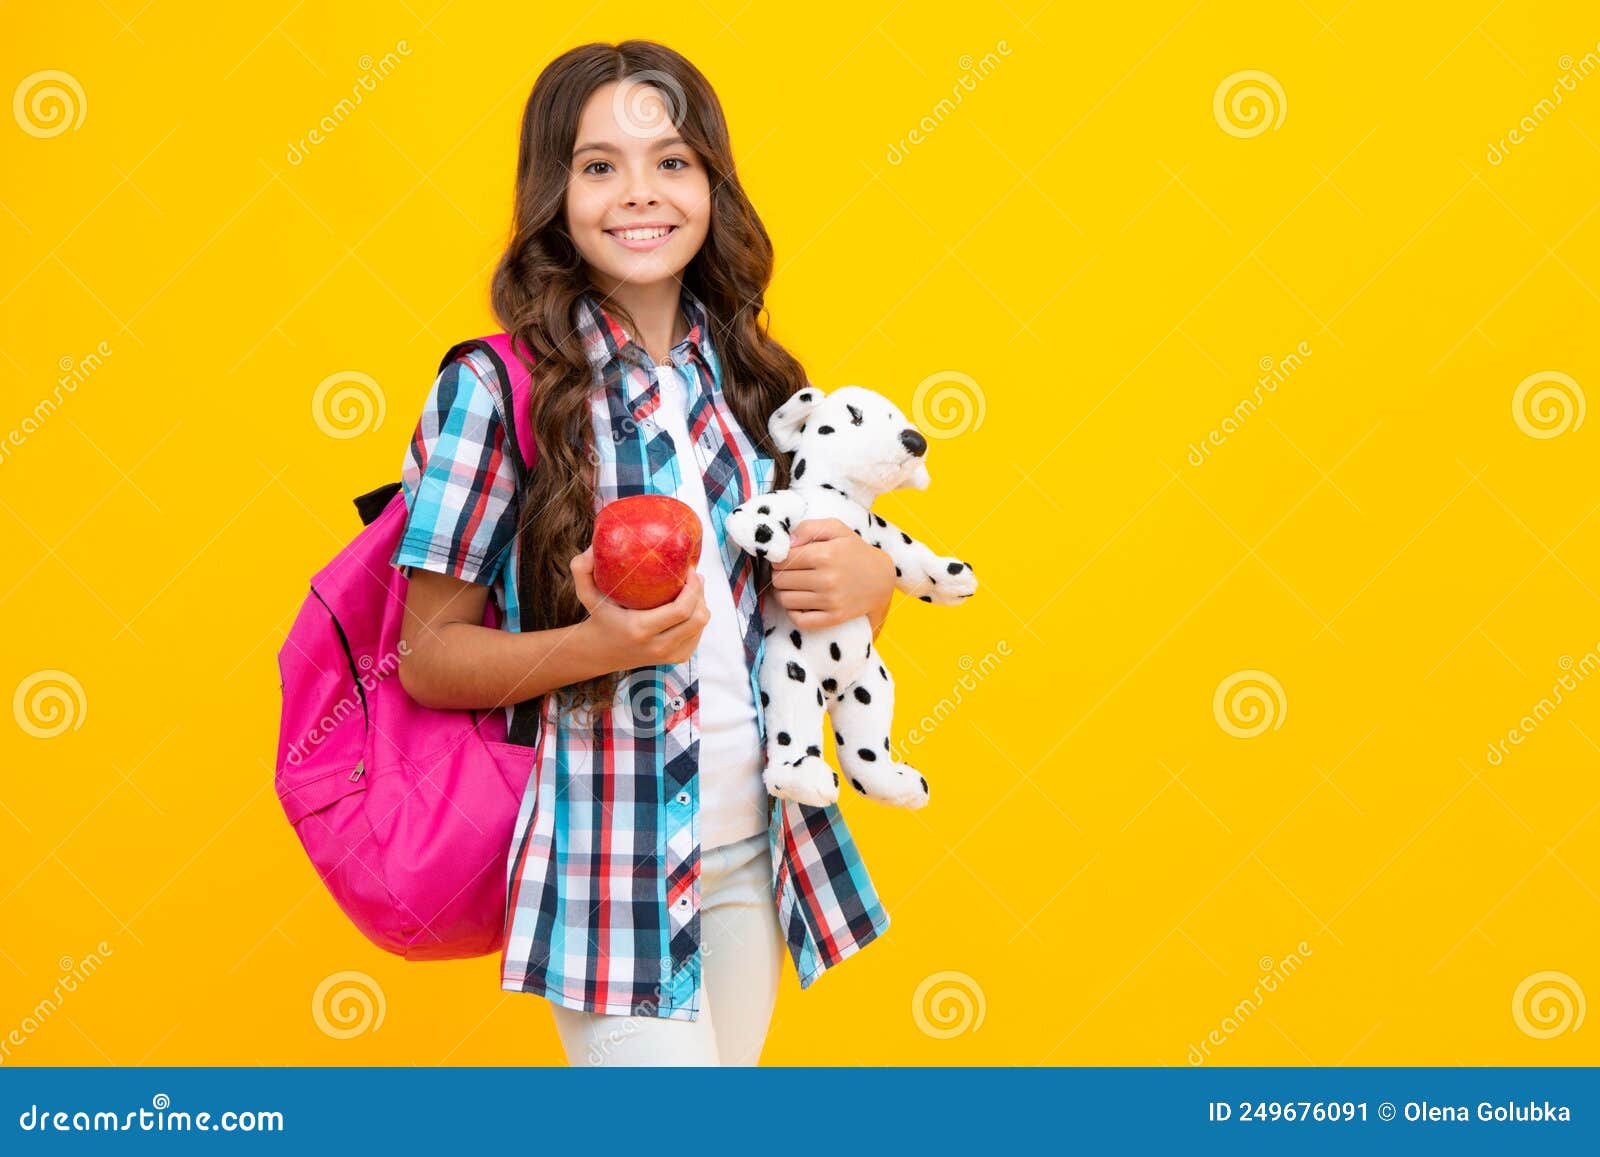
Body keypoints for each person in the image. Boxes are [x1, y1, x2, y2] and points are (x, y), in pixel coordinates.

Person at [389, 39, 899, 1066]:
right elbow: (426, 658)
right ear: (553, 194)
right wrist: (599, 645)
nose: (639, 192)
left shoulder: (757, 384)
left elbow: (802, 626)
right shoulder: (497, 390)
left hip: (755, 852)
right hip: (608, 873)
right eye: (598, 165)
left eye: (671, 161)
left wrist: (870, 582)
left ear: (712, 183)